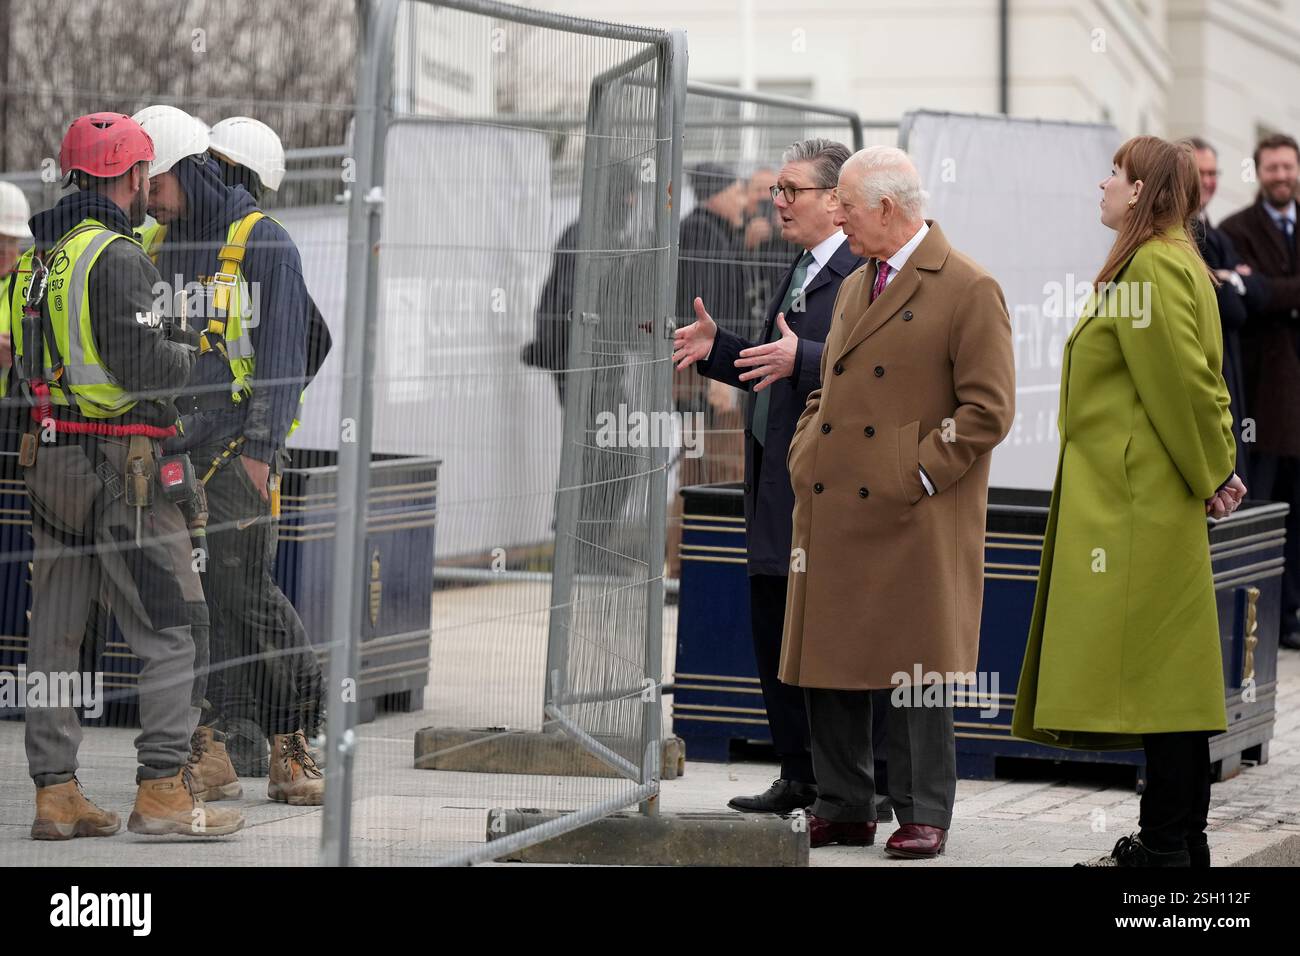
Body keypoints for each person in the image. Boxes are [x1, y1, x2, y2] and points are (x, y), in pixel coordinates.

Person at [5, 112, 243, 838]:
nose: (147, 187)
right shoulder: (115, 255)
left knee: (57, 634)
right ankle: (165, 792)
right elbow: (140, 366)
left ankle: (56, 792)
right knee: (176, 627)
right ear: (130, 175)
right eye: (144, 174)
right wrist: (193, 357)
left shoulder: (43, 257)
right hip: (121, 467)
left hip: (51, 462)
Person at [1012, 136, 1245, 867]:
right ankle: (1176, 841)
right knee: (1162, 681)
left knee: (1164, 686)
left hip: (1136, 505)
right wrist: (1212, 472)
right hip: (1137, 500)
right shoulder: (1166, 261)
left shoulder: (1153, 265)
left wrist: (1215, 472)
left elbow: (1185, 384)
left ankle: (1169, 848)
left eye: (1116, 173)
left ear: (1143, 189)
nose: (1103, 183)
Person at [781, 145, 1015, 858]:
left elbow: (989, 410)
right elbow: (833, 383)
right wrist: (807, 447)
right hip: (835, 504)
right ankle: (845, 804)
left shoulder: (968, 286)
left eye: (845, 206)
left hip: (914, 512)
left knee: (915, 670)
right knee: (832, 660)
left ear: (886, 207)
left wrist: (914, 472)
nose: (836, 217)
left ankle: (922, 812)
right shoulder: (859, 280)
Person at [674, 138, 872, 815]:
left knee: (823, 642)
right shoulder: (801, 266)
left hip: (821, 493)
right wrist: (718, 351)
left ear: (837, 203)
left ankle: (843, 784)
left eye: (793, 191)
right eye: (776, 190)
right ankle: (799, 775)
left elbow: (874, 374)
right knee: (775, 631)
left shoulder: (860, 273)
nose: (776, 200)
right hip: (774, 490)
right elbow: (777, 365)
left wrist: (806, 358)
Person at [133, 104, 324, 803]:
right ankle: (206, 749)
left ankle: (292, 742)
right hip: (172, 452)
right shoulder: (157, 245)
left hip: (236, 454)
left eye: (153, 181)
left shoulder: (263, 242)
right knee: (188, 605)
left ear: (186, 170)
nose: (145, 195)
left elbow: (288, 349)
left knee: (246, 594)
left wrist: (263, 450)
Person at [1219, 133, 1300, 650]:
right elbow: (1240, 304)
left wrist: (1267, 289)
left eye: (1288, 168)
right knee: (1266, 513)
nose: (1280, 176)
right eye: (1271, 168)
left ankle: (1292, 613)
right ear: (1257, 172)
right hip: (1266, 408)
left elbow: (1258, 292)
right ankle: (1264, 622)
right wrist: (1263, 294)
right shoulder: (1234, 230)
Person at [1184, 137, 1268, 491]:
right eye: (1198, 173)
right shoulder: (1191, 234)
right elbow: (1233, 308)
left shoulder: (1213, 230)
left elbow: (1259, 295)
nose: (1207, 181)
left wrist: (1229, 280)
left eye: (1212, 172)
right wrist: (1234, 279)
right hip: (1210, 375)